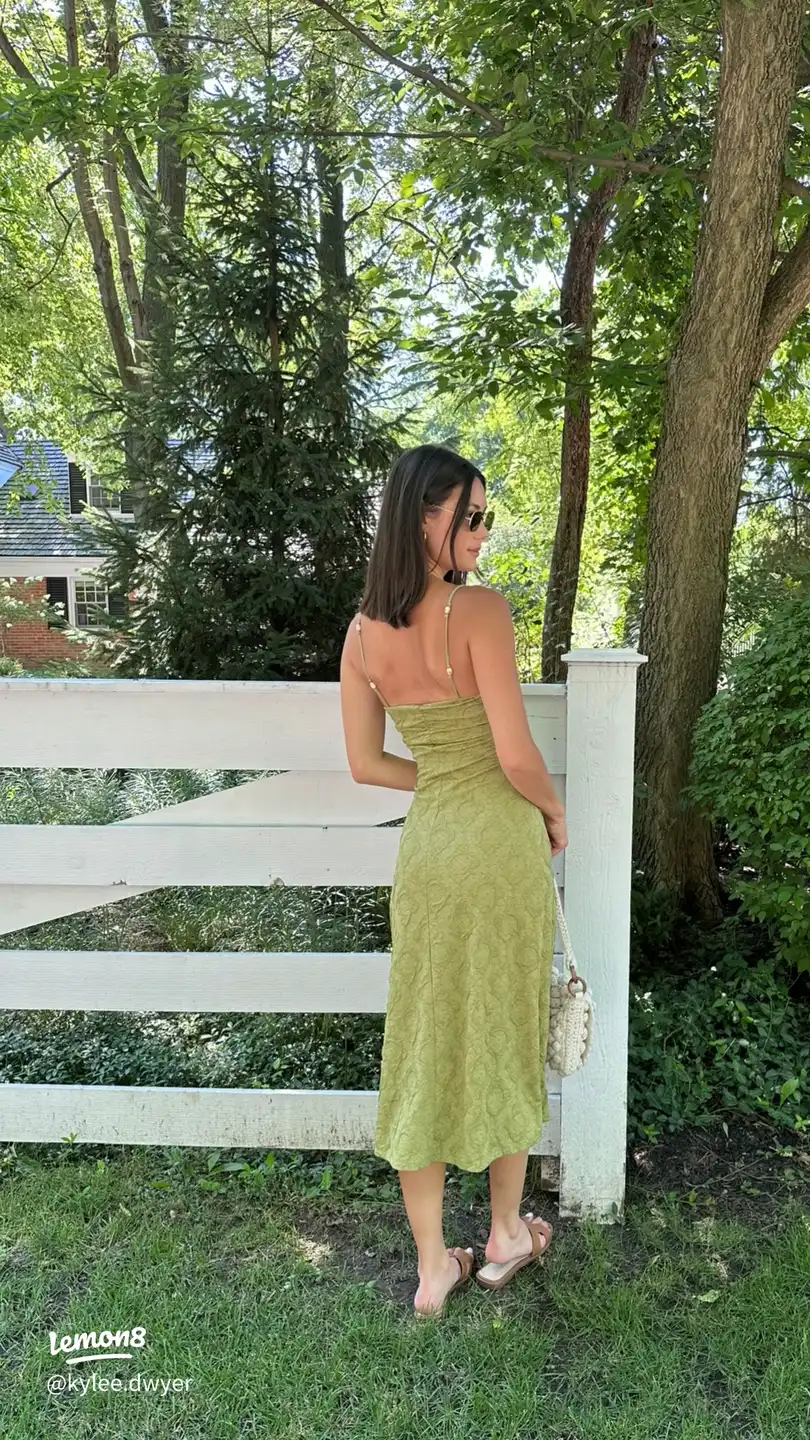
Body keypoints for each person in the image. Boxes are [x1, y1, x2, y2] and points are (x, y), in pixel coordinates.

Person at [339, 444, 568, 1318]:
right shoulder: (476, 612)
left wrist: (438, 780)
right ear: (421, 518)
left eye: (485, 517)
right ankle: (506, 1235)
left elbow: (366, 764)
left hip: (431, 851)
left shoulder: (362, 635)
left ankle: (435, 1264)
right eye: (468, 516)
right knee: (506, 1022)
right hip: (500, 844)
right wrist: (555, 814)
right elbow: (515, 755)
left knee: (428, 1033)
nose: (480, 532)